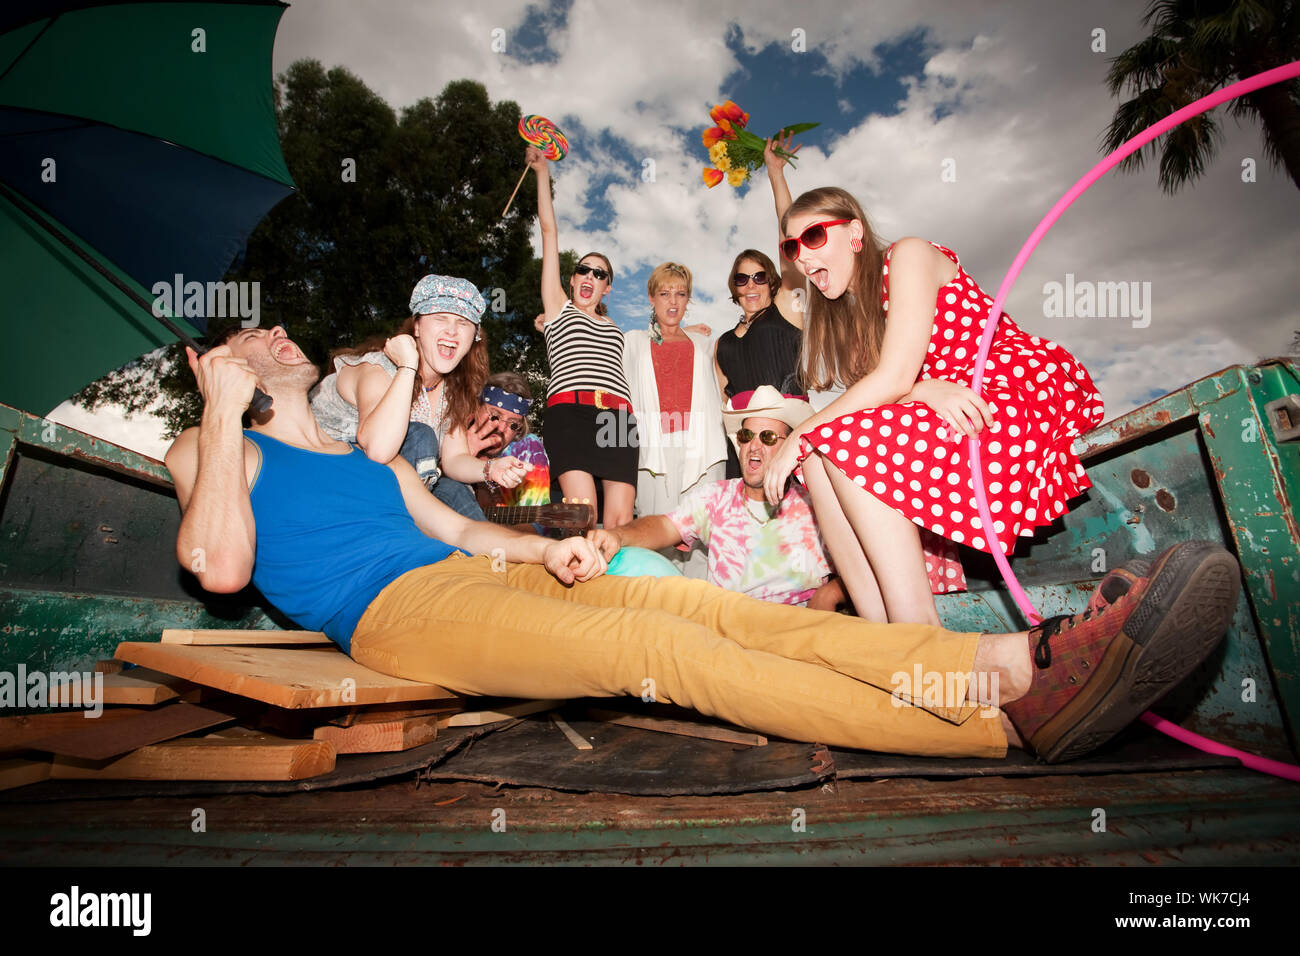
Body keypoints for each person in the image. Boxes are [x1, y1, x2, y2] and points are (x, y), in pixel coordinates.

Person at [164, 322, 1242, 765]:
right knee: (673, 663)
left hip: (469, 572)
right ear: (227, 367)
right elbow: (216, 564)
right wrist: (215, 405)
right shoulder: (215, 449)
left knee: (726, 610)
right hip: (397, 617)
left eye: (281, 331)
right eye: (254, 339)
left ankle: (1014, 662)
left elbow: (454, 523)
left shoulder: (373, 461)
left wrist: (547, 550)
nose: (279, 338)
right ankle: (1000, 731)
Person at [763, 187, 1105, 627]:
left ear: (854, 233)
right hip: (944, 404)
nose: (802, 258)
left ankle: (918, 630)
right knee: (816, 460)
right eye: (791, 247)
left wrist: (799, 434)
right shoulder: (858, 318)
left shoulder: (907, 255)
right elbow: (898, 384)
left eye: (813, 237)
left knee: (835, 442)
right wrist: (922, 391)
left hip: (1005, 386)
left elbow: (893, 379)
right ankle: (883, 633)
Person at [599, 386, 842, 609]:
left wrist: (830, 593)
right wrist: (617, 536)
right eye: (747, 435)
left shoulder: (814, 505)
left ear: (788, 447)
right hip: (725, 628)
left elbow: (867, 563)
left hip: (794, 630)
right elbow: (663, 525)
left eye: (767, 437)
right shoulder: (716, 498)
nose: (753, 446)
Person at [309, 274, 528, 521]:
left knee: (454, 488)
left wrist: (490, 469)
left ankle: (482, 551)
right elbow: (378, 450)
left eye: (464, 323)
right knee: (420, 436)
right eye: (440, 318)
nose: (452, 330)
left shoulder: (453, 390)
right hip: (327, 484)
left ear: (474, 337)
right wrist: (408, 365)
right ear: (416, 327)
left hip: (401, 488)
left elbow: (454, 460)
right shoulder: (377, 369)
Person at [528, 145, 636, 528]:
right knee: (582, 515)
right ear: (572, 279)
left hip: (619, 418)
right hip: (569, 412)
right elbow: (548, 231)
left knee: (621, 521)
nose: (590, 277)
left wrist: (688, 331)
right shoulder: (558, 308)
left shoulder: (616, 328)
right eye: (584, 270)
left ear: (607, 288)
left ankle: (619, 588)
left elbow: (655, 342)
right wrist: (543, 173)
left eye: (600, 274)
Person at [621, 262, 726, 576]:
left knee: (702, 536)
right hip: (653, 451)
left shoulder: (705, 346)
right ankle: (654, 612)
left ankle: (702, 609)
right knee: (655, 533)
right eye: (664, 293)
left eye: (681, 294)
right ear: (651, 298)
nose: (673, 301)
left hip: (702, 451)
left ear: (688, 300)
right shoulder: (633, 342)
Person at [714, 135, 809, 478]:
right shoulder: (722, 343)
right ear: (734, 288)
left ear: (771, 282)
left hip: (788, 436)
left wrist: (775, 174)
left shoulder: (786, 308)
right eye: (742, 279)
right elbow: (721, 400)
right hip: (743, 446)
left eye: (758, 277)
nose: (750, 285)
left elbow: (790, 244)